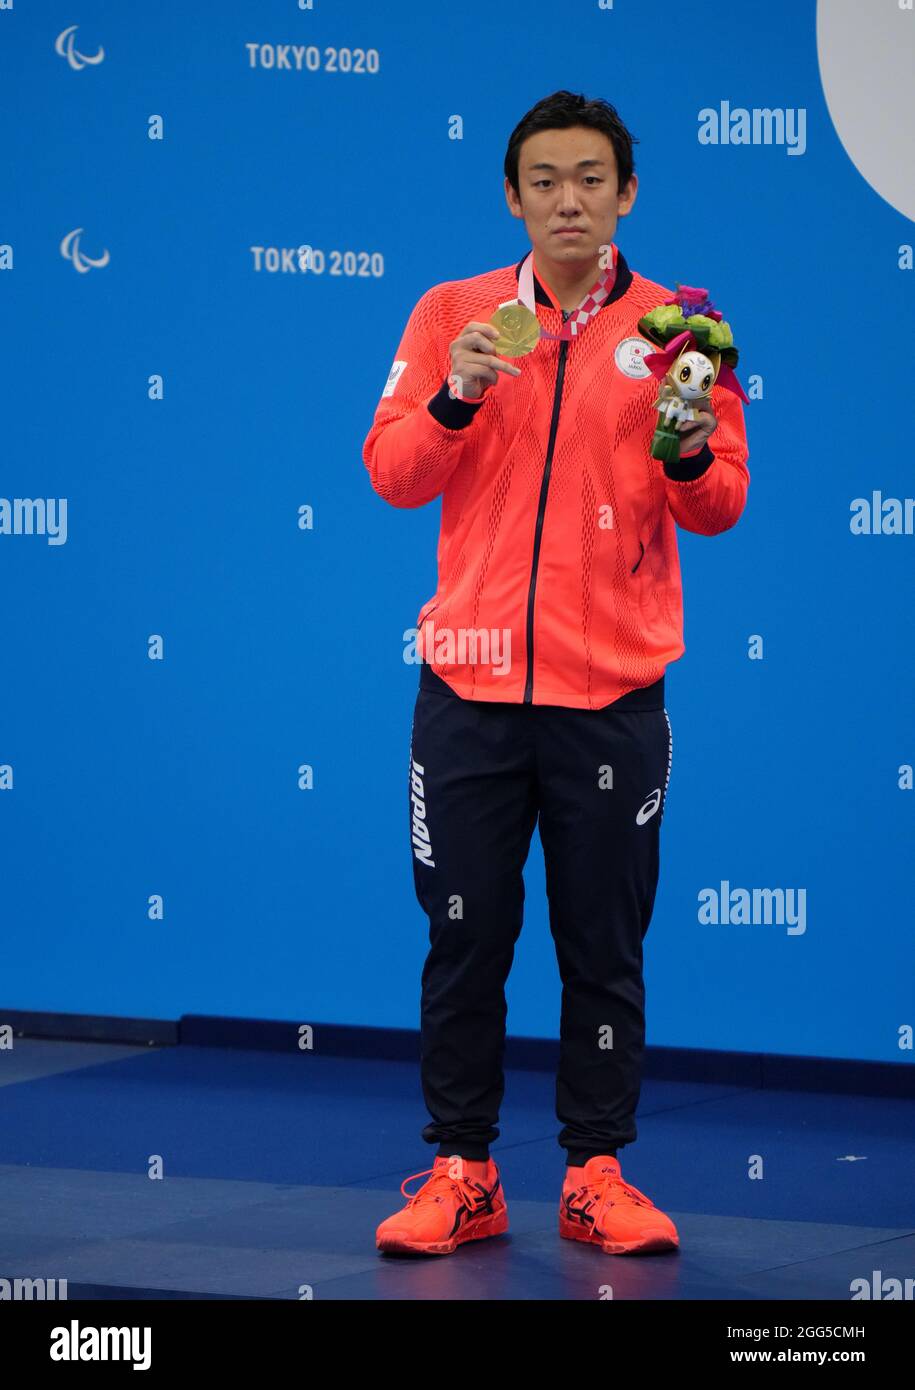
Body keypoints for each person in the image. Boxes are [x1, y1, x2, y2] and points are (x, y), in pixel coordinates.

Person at [361, 90, 750, 1258]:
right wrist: (458, 390)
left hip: (612, 693)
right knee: (466, 938)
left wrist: (685, 447)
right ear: (513, 195)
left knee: (603, 942)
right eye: (544, 180)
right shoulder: (453, 313)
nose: (567, 199)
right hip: (469, 690)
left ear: (626, 192)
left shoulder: (686, 328)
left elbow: (720, 500)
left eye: (590, 178)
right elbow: (391, 471)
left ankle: (595, 1172)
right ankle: (464, 1171)